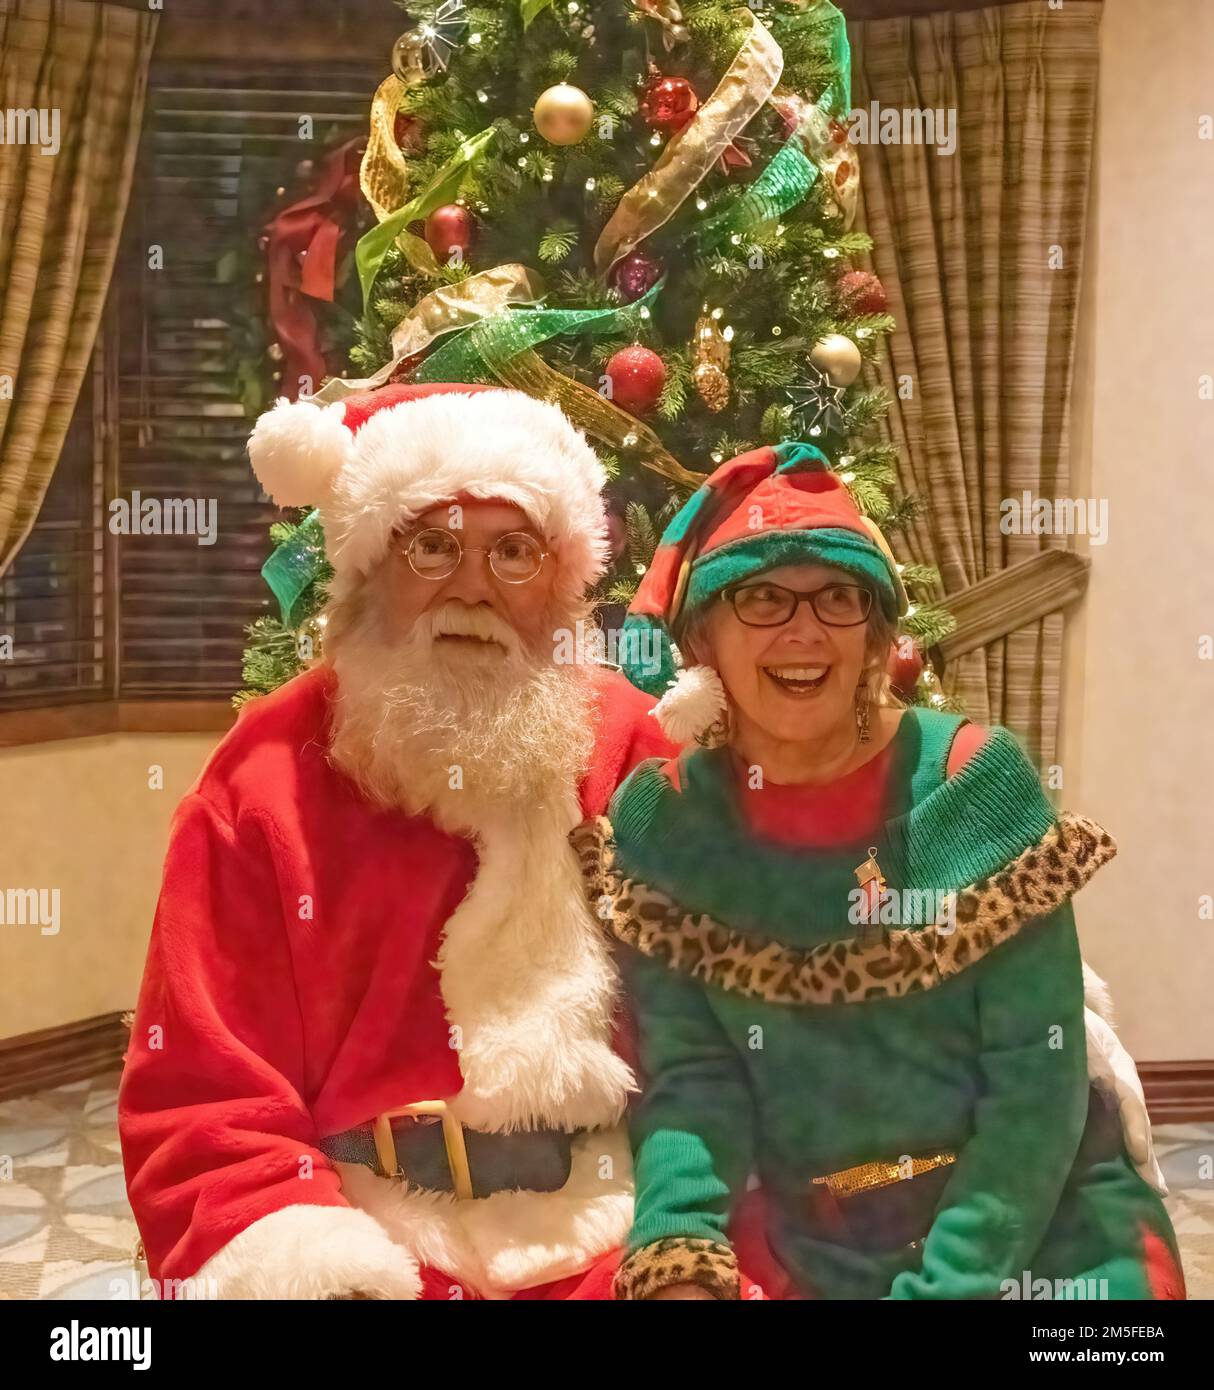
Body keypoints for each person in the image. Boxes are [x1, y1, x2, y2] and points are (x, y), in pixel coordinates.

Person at [583, 440, 1185, 1301]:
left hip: (1046, 1233)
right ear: (702, 634)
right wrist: (681, 1254)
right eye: (761, 599)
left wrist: (949, 1288)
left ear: (875, 634)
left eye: (839, 598)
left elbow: (1035, 1085)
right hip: (822, 1245)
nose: (804, 630)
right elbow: (692, 1081)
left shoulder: (972, 780)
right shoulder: (668, 817)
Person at [118, 381, 677, 1300]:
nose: (472, 586)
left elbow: (725, 1039)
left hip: (621, 1239)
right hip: (362, 1241)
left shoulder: (635, 746)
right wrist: (305, 1253)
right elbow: (202, 1099)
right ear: (372, 563)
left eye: (513, 552)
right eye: (433, 545)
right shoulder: (260, 779)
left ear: (561, 584)